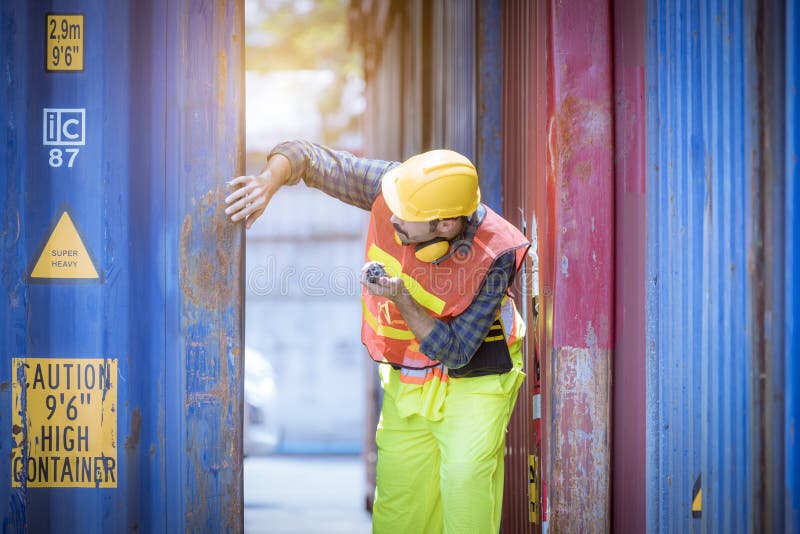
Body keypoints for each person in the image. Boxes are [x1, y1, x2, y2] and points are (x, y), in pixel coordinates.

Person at [225, 140, 530, 534]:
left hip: (476, 377)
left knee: (464, 486)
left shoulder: (496, 253)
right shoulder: (395, 189)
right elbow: (309, 157)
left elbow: (456, 351)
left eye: (404, 219)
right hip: (412, 378)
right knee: (399, 509)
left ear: (446, 225)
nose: (392, 218)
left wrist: (401, 297)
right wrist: (268, 182)